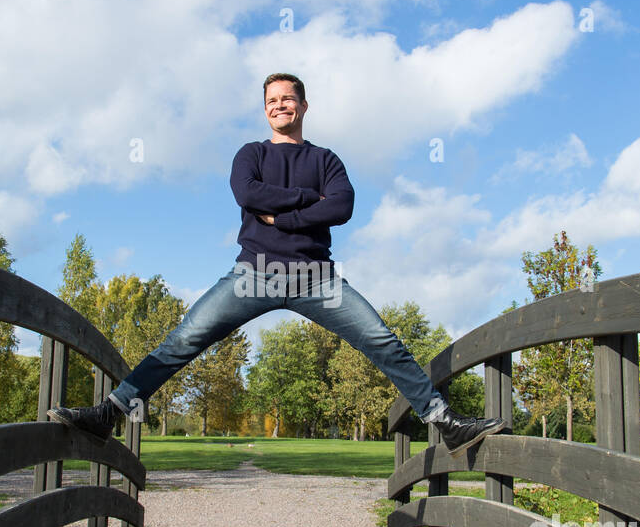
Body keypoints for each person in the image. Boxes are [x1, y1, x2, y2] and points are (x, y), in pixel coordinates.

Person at [48, 73, 506, 452]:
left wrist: (287, 210)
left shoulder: (326, 160)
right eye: (272, 100)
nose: (280, 105)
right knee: (182, 339)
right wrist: (309, 203)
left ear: (304, 106)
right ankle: (109, 413)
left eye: (288, 99)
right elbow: (248, 193)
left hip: (315, 278)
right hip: (252, 275)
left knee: (382, 340)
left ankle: (445, 424)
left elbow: (342, 206)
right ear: (264, 108)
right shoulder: (252, 153)